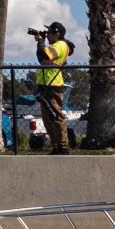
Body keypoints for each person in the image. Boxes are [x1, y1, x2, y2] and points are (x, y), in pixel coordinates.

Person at [27, 22, 73, 153]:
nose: (47, 35)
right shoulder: (54, 46)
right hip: (45, 85)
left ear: (57, 34)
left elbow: (45, 55)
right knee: (47, 118)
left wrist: (41, 42)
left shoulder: (61, 45)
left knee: (56, 116)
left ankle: (63, 146)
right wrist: (40, 42)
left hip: (53, 85)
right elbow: (41, 57)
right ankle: (56, 146)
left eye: (49, 32)